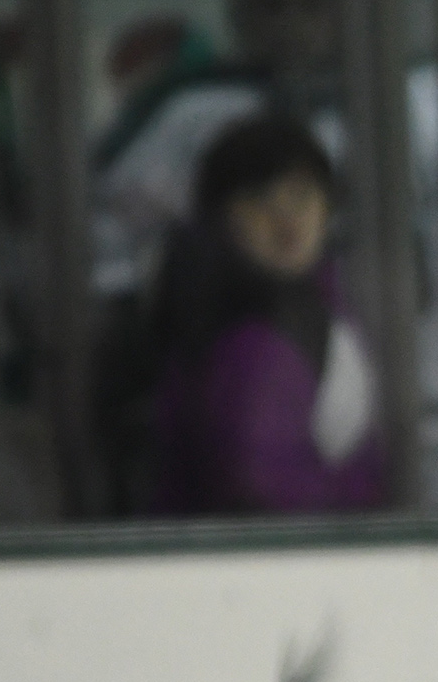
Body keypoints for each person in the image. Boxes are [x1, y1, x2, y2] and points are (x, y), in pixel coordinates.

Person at [92, 0, 438, 514]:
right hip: (279, 433)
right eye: (274, 3)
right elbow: (113, 268)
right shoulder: (193, 122)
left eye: (315, 0)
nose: (297, 25)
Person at [149, 115, 386, 515]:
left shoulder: (321, 305)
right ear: (222, 219)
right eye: (260, 201)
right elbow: (266, 493)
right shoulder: (246, 344)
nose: (287, 220)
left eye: (301, 195)